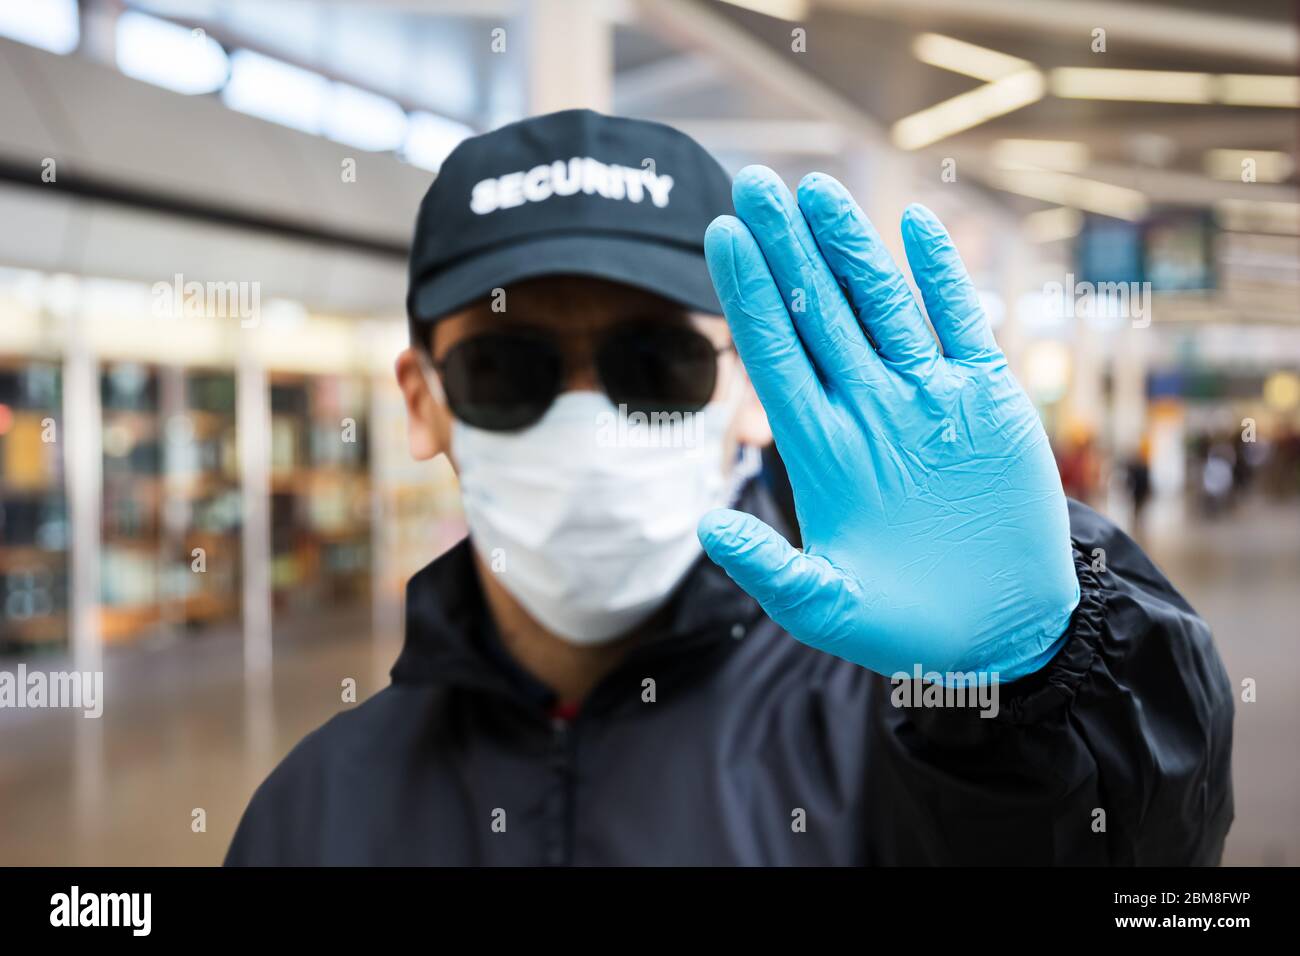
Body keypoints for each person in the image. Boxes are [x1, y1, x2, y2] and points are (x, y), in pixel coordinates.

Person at [225, 110, 1233, 866]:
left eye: (656, 363)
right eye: (507, 369)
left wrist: (1037, 685)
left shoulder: (913, 729)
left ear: (748, 384)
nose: (589, 420)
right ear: (422, 399)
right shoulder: (305, 816)